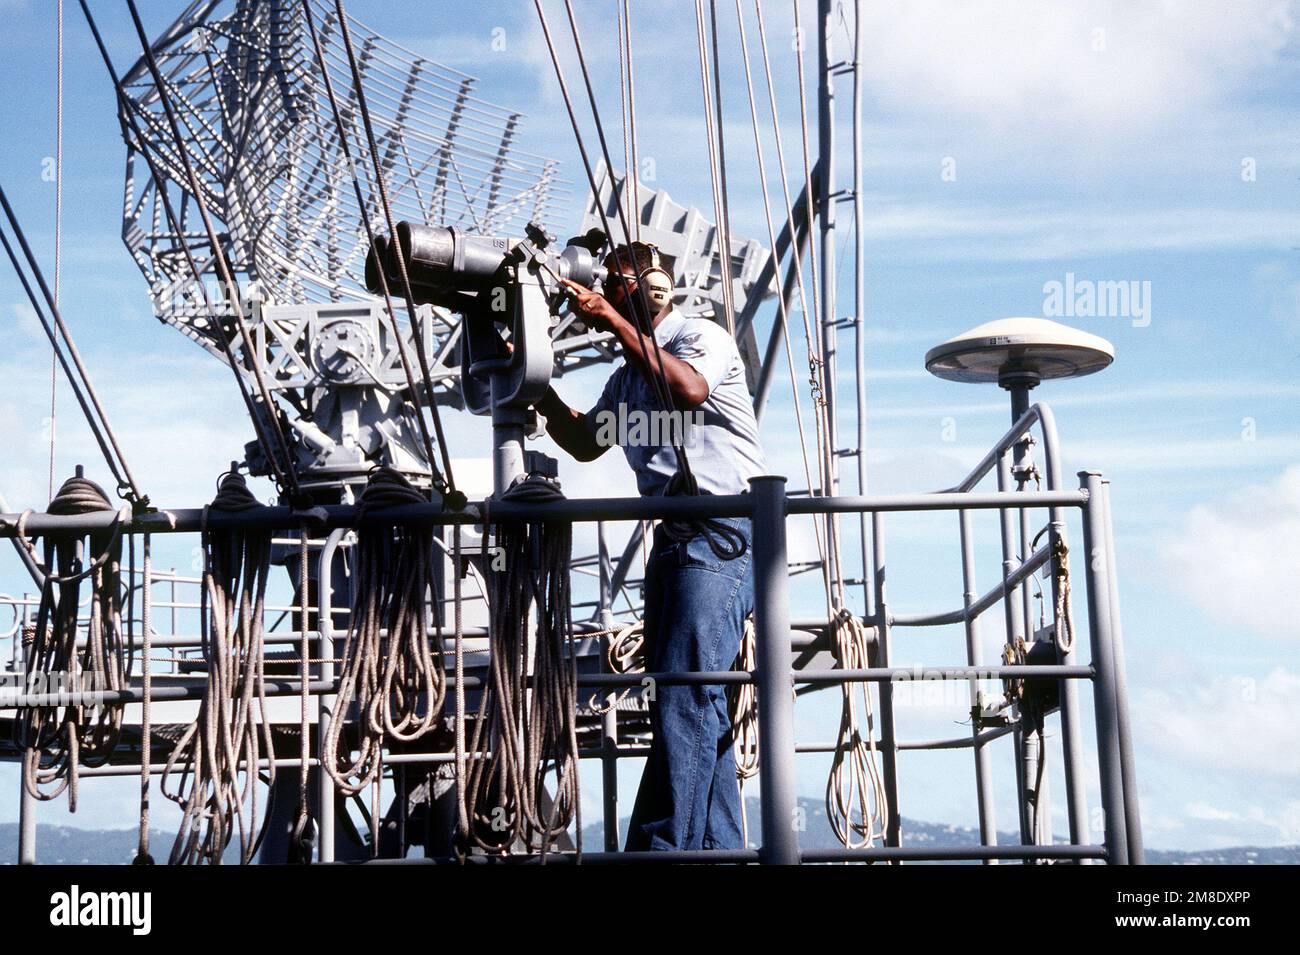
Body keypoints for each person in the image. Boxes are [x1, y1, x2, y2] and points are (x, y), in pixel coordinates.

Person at [539, 242, 766, 851]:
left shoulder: (700, 338)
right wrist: (534, 383)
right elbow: (587, 442)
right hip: (673, 543)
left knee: (687, 691)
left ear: (653, 287)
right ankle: (717, 848)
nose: (605, 297)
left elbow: (690, 390)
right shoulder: (627, 380)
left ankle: (662, 850)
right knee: (700, 702)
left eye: (615, 286)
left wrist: (614, 323)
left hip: (719, 535)